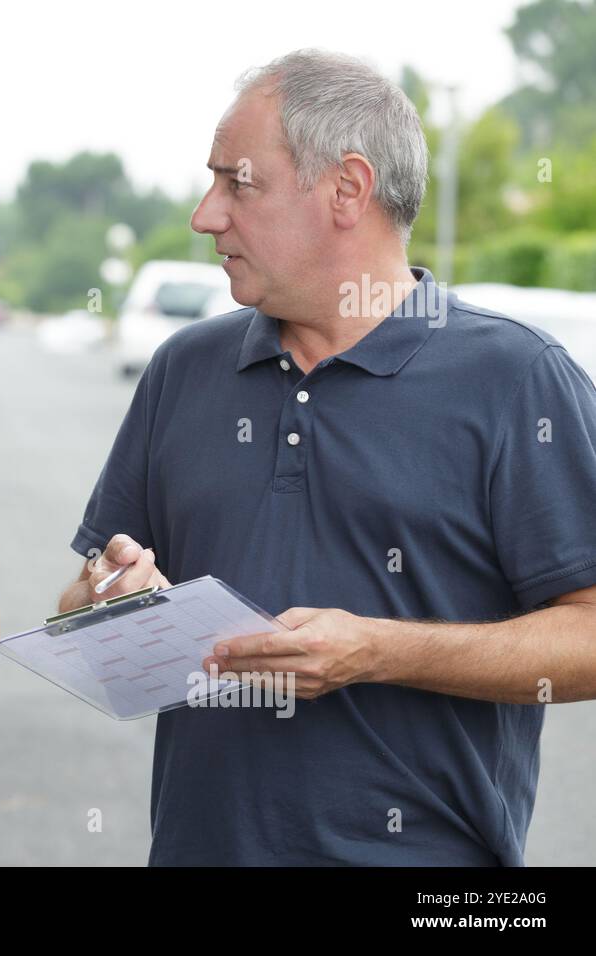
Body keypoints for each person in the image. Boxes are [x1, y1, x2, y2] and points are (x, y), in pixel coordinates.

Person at [60, 49, 596, 866]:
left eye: (238, 183)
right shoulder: (183, 369)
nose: (207, 214)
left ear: (347, 189)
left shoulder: (518, 379)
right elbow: (88, 625)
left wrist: (380, 650)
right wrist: (110, 604)